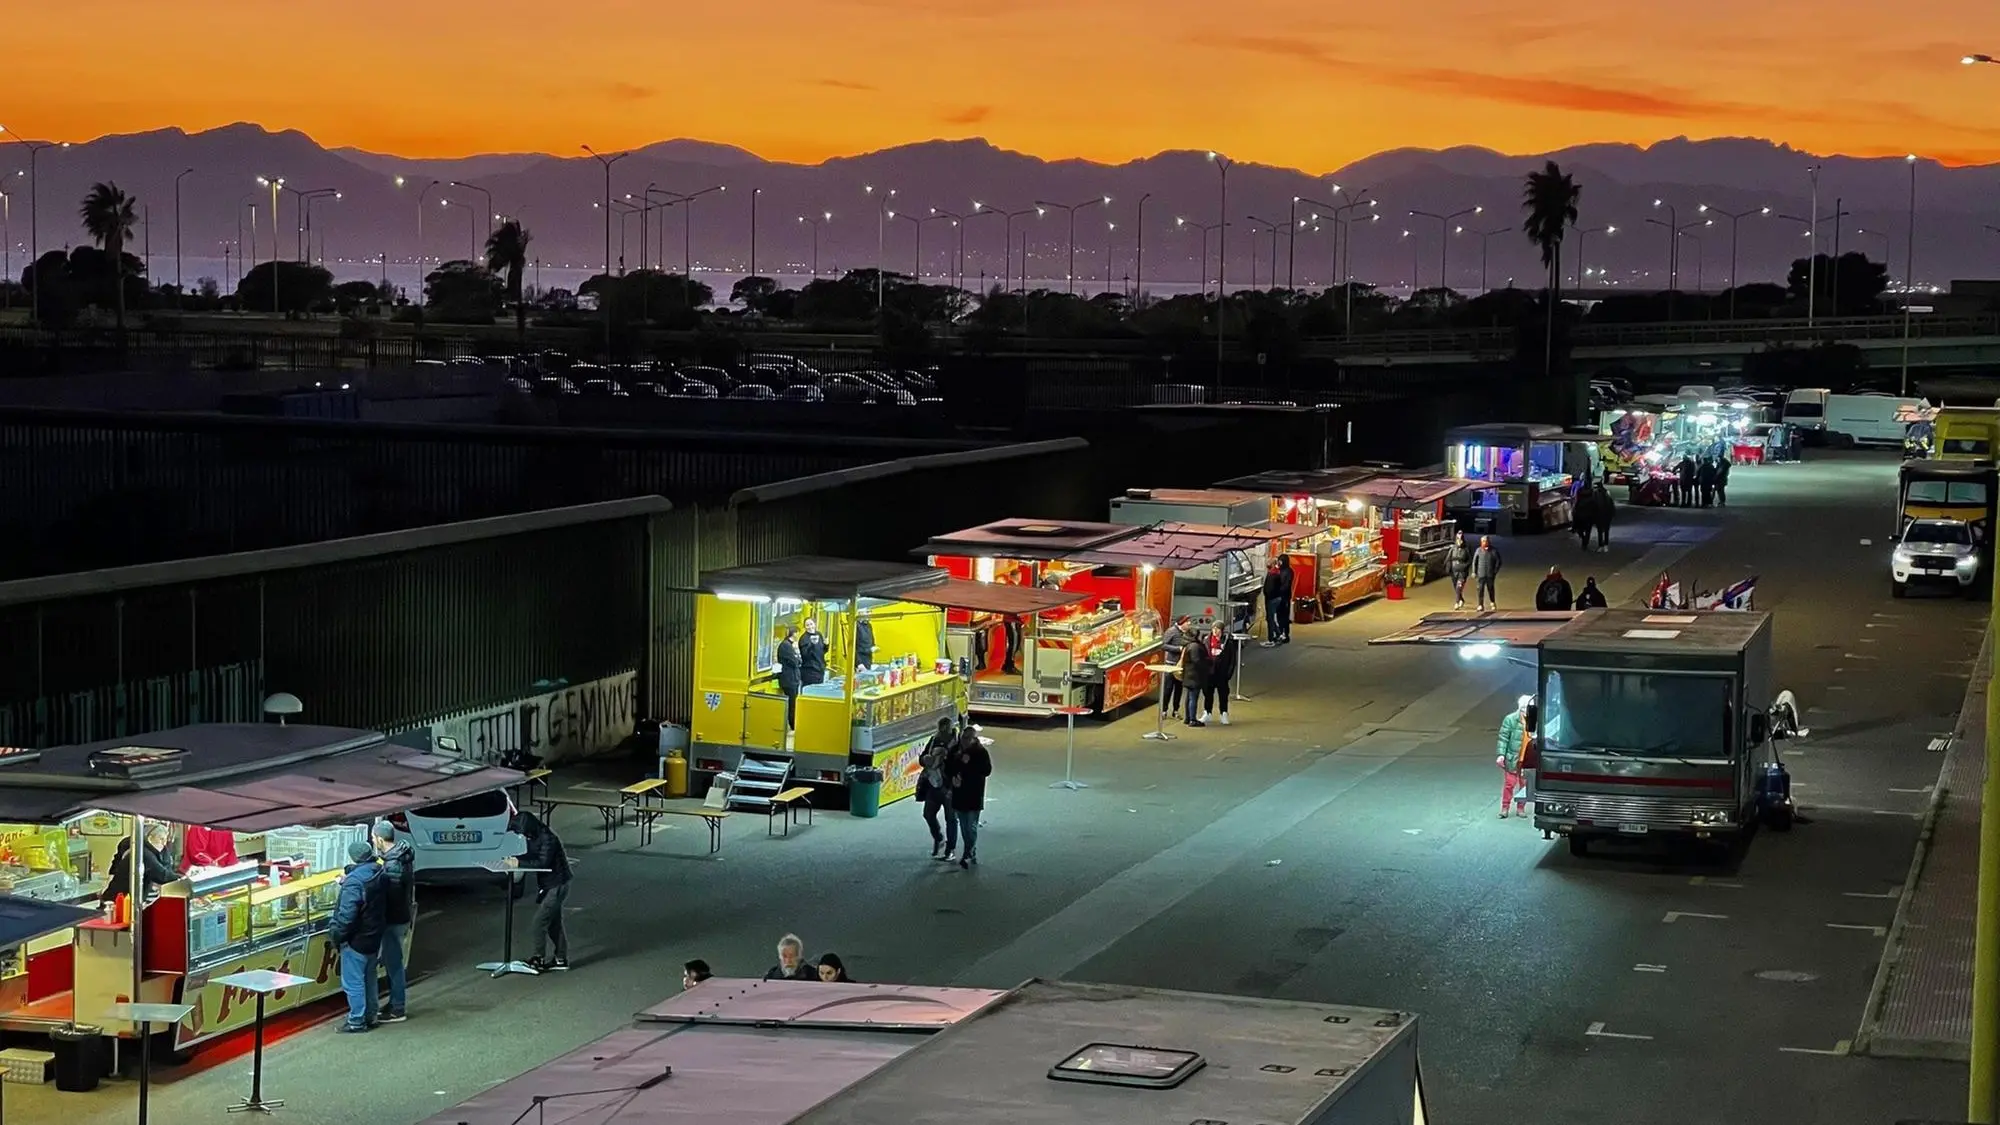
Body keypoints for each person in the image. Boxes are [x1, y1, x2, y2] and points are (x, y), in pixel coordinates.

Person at [329, 839, 388, 1032]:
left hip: (357, 939)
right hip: (374, 935)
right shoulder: (378, 871)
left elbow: (347, 916)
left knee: (353, 983)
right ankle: (371, 1015)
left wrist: (337, 935)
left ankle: (356, 1021)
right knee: (369, 978)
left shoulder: (354, 883)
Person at [507, 808, 572, 972]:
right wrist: (517, 859)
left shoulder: (548, 838)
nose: (522, 836)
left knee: (539, 923)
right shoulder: (535, 836)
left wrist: (519, 864)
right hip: (550, 885)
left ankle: (538, 958)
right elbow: (532, 855)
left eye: (522, 832)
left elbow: (543, 863)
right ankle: (560, 959)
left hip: (557, 884)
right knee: (554, 924)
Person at [371, 821, 414, 1023]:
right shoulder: (400, 856)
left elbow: (391, 895)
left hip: (393, 920)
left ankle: (398, 1008)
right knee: (391, 962)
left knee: (394, 964)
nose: (373, 842)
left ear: (380, 839)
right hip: (401, 917)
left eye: (373, 838)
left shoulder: (392, 864)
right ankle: (394, 1002)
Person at [945, 724, 992, 869]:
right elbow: (948, 768)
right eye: (963, 738)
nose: (965, 741)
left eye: (968, 738)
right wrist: (953, 776)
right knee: (964, 826)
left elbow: (986, 770)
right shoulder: (955, 750)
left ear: (974, 739)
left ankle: (968, 851)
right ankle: (970, 849)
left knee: (971, 826)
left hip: (974, 793)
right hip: (959, 793)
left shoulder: (981, 752)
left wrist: (969, 763)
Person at [102, 822, 177, 905]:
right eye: (161, 839)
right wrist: (181, 879)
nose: (164, 843)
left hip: (131, 900)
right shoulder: (143, 852)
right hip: (119, 901)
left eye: (165, 839)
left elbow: (166, 870)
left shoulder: (157, 850)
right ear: (150, 837)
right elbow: (162, 876)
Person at [918, 716, 957, 859]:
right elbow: (923, 756)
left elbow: (958, 766)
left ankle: (950, 849)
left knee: (951, 819)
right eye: (940, 728)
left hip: (949, 787)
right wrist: (924, 760)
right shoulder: (934, 740)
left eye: (944, 728)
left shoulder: (956, 744)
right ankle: (939, 837)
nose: (941, 731)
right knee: (928, 814)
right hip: (933, 784)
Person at [1495, 695, 1534, 819]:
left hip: (1527, 760)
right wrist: (1501, 755)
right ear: (1522, 707)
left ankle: (1520, 808)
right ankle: (1504, 808)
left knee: (1525, 785)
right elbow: (1503, 738)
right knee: (1509, 784)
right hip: (1513, 758)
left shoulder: (1534, 720)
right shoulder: (1511, 719)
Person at [1201, 621, 1237, 726]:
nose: (1215, 631)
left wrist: (1228, 674)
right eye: (1213, 628)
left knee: (1223, 694)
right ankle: (1207, 712)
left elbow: (1232, 660)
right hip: (1209, 673)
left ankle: (1223, 713)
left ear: (1221, 630)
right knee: (1208, 694)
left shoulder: (1227, 643)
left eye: (1217, 629)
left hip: (1222, 674)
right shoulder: (1206, 640)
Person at [1178, 626, 1212, 727]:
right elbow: (1197, 660)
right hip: (1194, 675)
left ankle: (1188, 718)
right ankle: (1192, 719)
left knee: (1189, 696)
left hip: (1188, 674)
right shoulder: (1194, 646)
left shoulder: (1187, 644)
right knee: (1193, 697)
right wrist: (1206, 664)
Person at [1160, 616, 1192, 717]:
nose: (1189, 623)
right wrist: (1178, 649)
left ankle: (1176, 710)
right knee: (1168, 688)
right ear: (1182, 623)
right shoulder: (1171, 631)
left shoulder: (1188, 633)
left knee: (1179, 689)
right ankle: (1164, 710)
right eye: (1187, 622)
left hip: (1182, 665)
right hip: (1171, 665)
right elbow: (1163, 645)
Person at [775, 626, 802, 732]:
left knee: (793, 702)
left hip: (793, 678)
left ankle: (793, 724)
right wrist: (797, 659)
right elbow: (796, 662)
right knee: (792, 704)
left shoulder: (789, 645)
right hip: (789, 679)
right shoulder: (786, 646)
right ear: (794, 633)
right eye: (797, 633)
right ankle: (793, 725)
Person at [1471, 535, 1502, 611]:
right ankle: (1480, 604)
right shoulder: (1478, 550)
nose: (1484, 542)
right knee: (1480, 590)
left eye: (1486, 541)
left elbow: (1499, 561)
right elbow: (1474, 562)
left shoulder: (1494, 551)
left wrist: (1495, 571)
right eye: (1483, 541)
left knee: (1490, 589)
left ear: (1489, 542)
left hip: (1490, 574)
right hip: (1481, 574)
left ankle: (1492, 602)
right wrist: (1474, 572)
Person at [1447, 532, 1473, 610]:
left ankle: (1457, 602)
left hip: (1462, 572)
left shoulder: (1466, 549)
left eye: (1461, 539)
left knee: (1459, 586)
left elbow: (1470, 560)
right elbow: (1448, 559)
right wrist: (1448, 568)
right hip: (1454, 571)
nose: (1459, 541)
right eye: (1458, 539)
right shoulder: (1453, 549)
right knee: (1456, 587)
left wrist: (1465, 566)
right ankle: (1461, 599)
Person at [1262, 560, 1286, 644]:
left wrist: (1267, 595)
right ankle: (1278, 634)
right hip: (1275, 598)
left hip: (1271, 599)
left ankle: (1271, 639)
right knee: (1270, 618)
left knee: (1270, 619)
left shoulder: (1273, 574)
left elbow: (1269, 588)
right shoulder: (1276, 573)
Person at [798, 618, 828, 686]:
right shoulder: (804, 638)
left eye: (811, 624)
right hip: (810, 670)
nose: (810, 627)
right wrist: (812, 645)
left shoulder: (819, 634)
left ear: (815, 624)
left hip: (820, 669)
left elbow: (822, 651)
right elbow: (805, 655)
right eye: (807, 625)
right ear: (805, 627)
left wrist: (826, 645)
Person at [1274, 555, 1296, 642]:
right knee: (1279, 616)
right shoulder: (1279, 570)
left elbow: (1286, 584)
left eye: (1280, 561)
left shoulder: (1289, 571)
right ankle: (1280, 633)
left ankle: (1286, 634)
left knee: (1285, 617)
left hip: (1285, 597)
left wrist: (1279, 590)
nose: (1279, 563)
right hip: (1279, 596)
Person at [1571, 486, 1597, 552]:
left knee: (1579, 529)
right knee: (1588, 532)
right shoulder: (1592, 499)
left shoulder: (1580, 498)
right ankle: (1585, 543)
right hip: (1589, 517)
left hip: (1581, 517)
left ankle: (1582, 538)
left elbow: (1576, 508)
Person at [1591, 482, 1615, 551]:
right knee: (1606, 531)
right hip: (1607, 515)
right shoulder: (1607, 493)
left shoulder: (1595, 494)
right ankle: (1605, 545)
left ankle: (1601, 545)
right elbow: (1611, 504)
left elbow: (1593, 505)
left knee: (1600, 531)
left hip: (1599, 515)